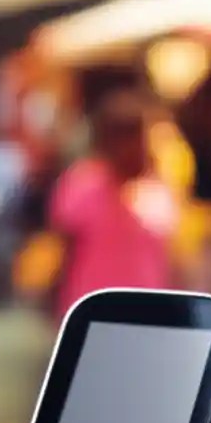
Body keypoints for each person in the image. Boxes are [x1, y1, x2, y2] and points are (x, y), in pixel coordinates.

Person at [50, 87, 172, 321]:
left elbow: (168, 258)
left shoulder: (154, 189)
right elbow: (63, 251)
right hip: (93, 310)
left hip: (148, 312)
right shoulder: (82, 184)